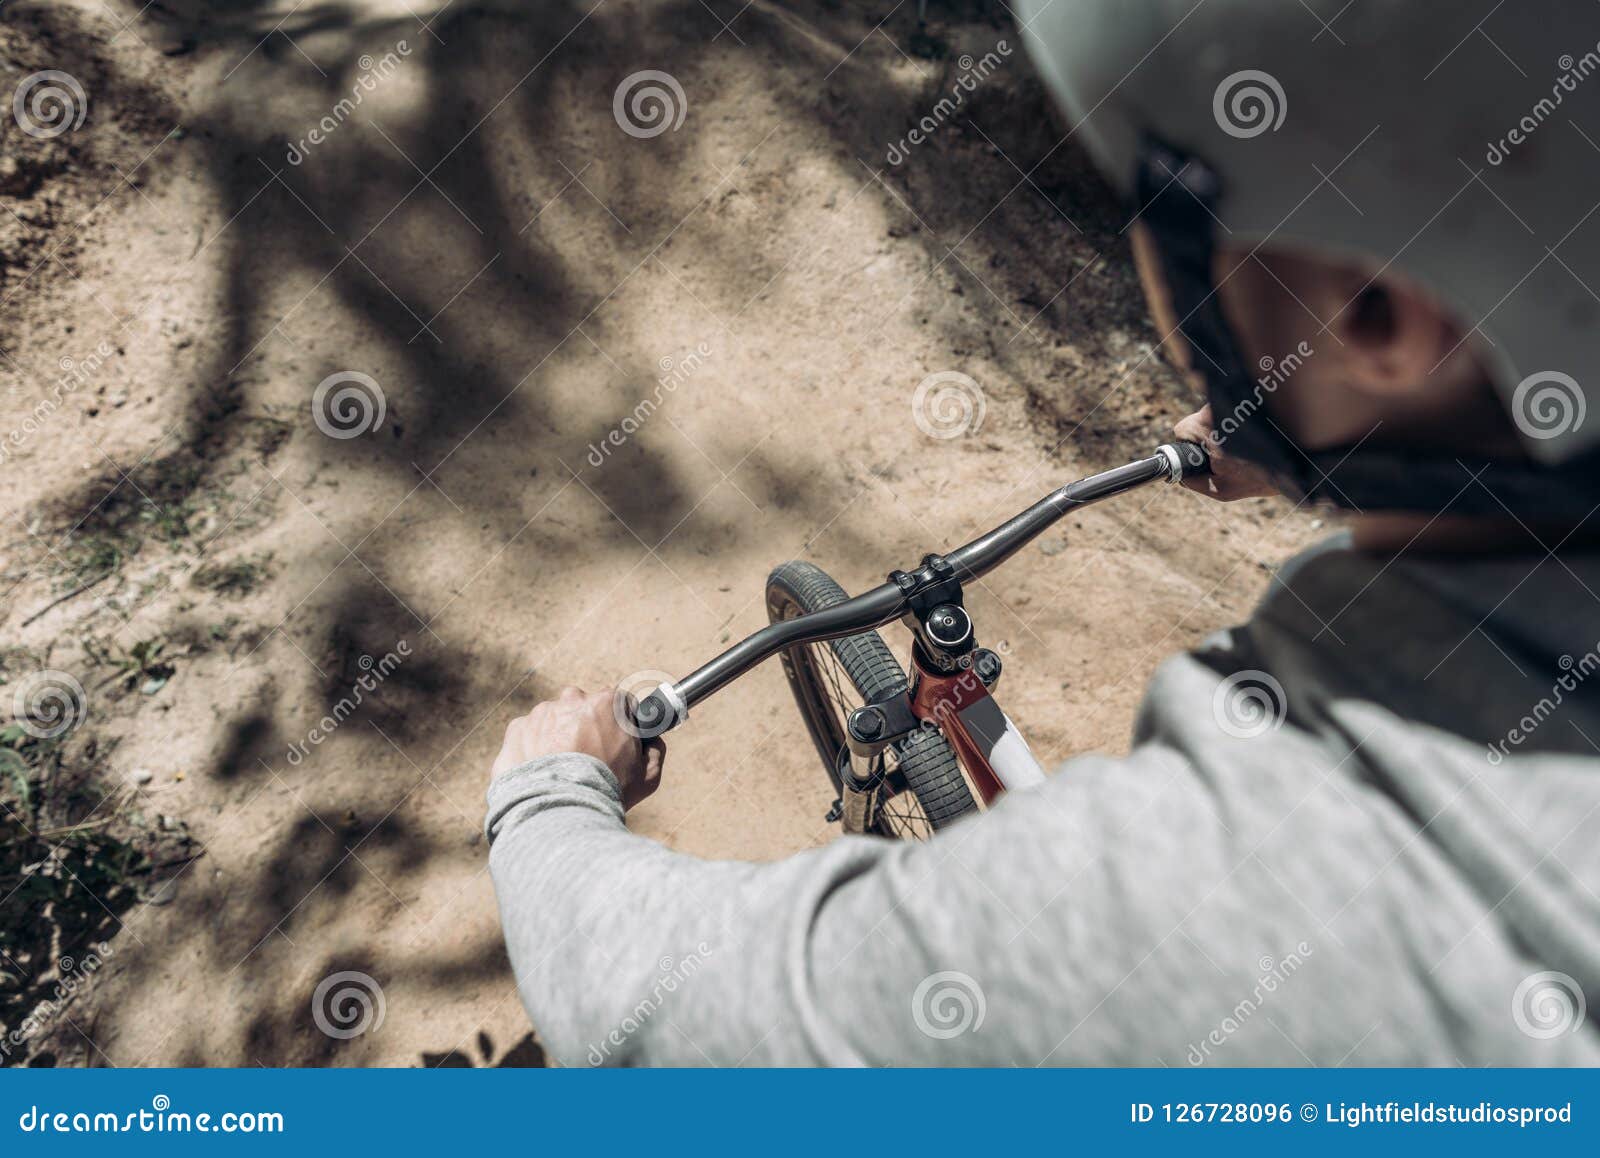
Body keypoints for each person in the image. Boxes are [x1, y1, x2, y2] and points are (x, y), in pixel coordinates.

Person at [485, 0, 1600, 1064]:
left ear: (1372, 320)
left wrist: (548, 797)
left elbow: (660, 1024)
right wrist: (1339, 439)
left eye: (1154, 212)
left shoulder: (1298, 878)